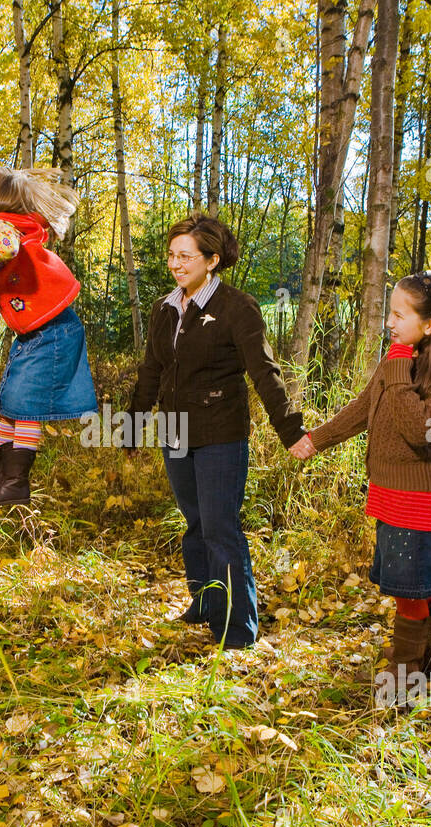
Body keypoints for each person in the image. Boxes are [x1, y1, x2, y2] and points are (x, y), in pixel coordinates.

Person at [128, 214, 306, 649]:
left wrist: (291, 430)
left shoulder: (236, 307)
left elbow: (265, 371)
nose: (175, 263)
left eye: (185, 256)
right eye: (171, 255)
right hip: (174, 431)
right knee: (193, 524)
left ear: (212, 260)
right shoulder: (165, 308)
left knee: (220, 527)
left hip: (220, 434)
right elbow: (152, 371)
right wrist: (132, 426)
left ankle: (237, 627)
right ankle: (205, 602)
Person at [290, 270, 431, 682]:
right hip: (392, 494)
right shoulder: (401, 357)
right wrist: (315, 441)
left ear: (430, 324)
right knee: (408, 585)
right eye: (389, 314)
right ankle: (419, 659)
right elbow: (364, 406)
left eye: (398, 315)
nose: (389, 323)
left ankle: (405, 672)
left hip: (421, 499)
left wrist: (397, 371)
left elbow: (422, 429)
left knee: (412, 587)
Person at [0, 166, 98, 506]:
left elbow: (4, 248)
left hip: (53, 330)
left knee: (26, 404)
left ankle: (16, 481)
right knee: (9, 403)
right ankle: (2, 476)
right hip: (36, 332)